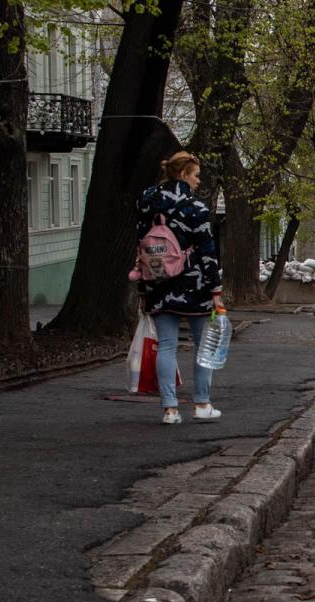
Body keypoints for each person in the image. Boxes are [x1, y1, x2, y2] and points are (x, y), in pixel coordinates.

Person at [136, 151, 223, 425]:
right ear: (184, 174)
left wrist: (142, 286)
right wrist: (216, 289)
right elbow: (207, 250)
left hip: (157, 280)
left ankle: (170, 409)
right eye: (196, 175)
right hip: (194, 284)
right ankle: (202, 403)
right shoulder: (195, 208)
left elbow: (140, 243)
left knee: (167, 347)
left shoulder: (146, 201)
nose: (198, 181)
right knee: (203, 347)